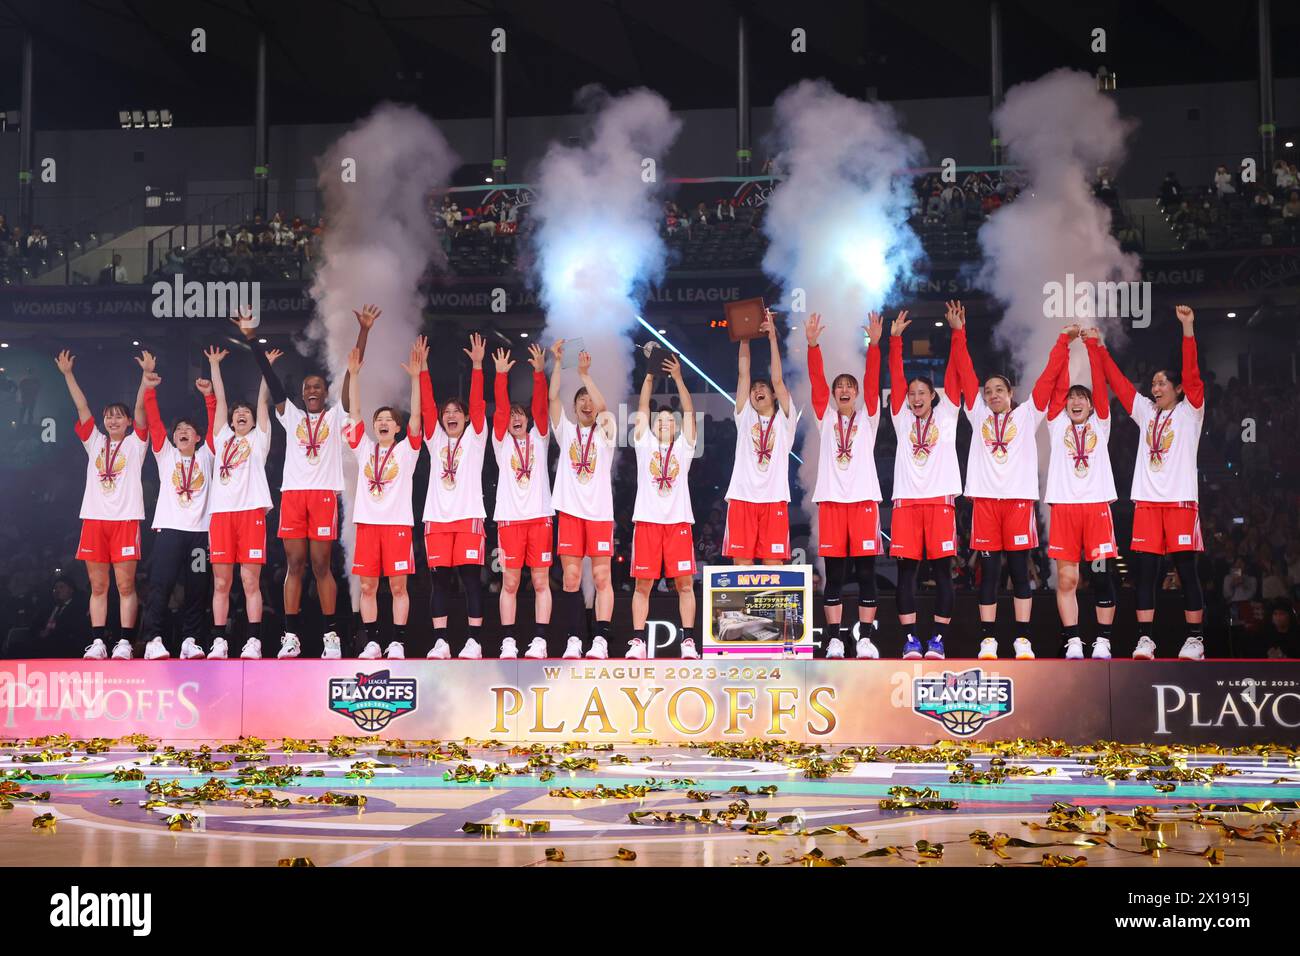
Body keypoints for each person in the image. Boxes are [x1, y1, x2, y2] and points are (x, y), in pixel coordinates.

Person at [240, 303, 373, 658]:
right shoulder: (290, 415)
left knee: (321, 566)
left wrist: (364, 331)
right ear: (301, 394)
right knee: (294, 565)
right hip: (294, 497)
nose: (313, 390)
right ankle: (291, 635)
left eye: (318, 386)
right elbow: (270, 381)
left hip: (323, 497)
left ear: (325, 393)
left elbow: (352, 373)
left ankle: (331, 636)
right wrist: (252, 340)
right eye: (307, 387)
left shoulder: (335, 417)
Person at [952, 300, 1066, 660]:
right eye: (988, 392)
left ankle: (1022, 639)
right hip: (985, 502)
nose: (992, 395)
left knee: (1019, 572)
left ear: (1011, 393)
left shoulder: (1028, 415)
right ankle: (988, 639)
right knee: (989, 574)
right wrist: (958, 334)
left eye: (998, 390)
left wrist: (1062, 343)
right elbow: (966, 373)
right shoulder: (977, 415)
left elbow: (1048, 378)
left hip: (1017, 503)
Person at [1099, 305, 1206, 660]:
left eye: (1163, 383)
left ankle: (1195, 640)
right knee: (1145, 575)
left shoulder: (1190, 412)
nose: (1156, 387)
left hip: (1179, 503)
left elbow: (1192, 375)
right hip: (1146, 503)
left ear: (1177, 389)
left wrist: (1187, 329)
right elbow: (1119, 384)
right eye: (1154, 383)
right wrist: (1099, 348)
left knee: (1186, 572)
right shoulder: (1146, 412)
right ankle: (1146, 639)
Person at [805, 311, 884, 659]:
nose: (844, 390)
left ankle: (865, 638)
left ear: (857, 394)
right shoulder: (825, 418)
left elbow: (873, 379)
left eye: (849, 387)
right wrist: (812, 346)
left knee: (867, 574)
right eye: (840, 387)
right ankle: (835, 639)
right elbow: (817, 381)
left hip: (864, 502)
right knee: (834, 575)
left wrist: (876, 346)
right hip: (833, 504)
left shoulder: (869, 418)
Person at [888, 306, 965, 660]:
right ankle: (910, 640)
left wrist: (956, 333)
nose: (916, 397)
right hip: (906, 503)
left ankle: (937, 639)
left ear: (933, 395)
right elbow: (894, 373)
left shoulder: (948, 413)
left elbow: (954, 374)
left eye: (922, 392)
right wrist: (894, 341)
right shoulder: (902, 419)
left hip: (940, 503)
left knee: (942, 574)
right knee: (906, 574)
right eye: (911, 393)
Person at [65, 349, 150, 660]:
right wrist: (68, 375)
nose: (113, 420)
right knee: (97, 586)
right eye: (109, 416)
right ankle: (99, 641)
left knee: (125, 585)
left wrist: (144, 378)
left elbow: (141, 407)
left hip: (126, 520)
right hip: (94, 519)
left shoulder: (136, 443)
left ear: (128, 422)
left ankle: (125, 642)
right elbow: (81, 406)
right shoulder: (95, 441)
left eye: (119, 416)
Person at [1044, 327, 1120, 659]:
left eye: (1082, 397)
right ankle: (1073, 639)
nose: (1075, 401)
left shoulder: (1100, 424)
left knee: (1102, 577)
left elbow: (1101, 385)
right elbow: (1057, 385)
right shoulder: (1056, 423)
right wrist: (1064, 342)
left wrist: (1091, 345)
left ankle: (1103, 640)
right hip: (1064, 509)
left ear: (1091, 406)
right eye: (1071, 397)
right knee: (1066, 580)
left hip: (1096, 508)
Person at [345, 339, 425, 660]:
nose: (381, 422)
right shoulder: (364, 448)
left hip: (396, 527)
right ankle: (374, 642)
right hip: (367, 525)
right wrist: (353, 376)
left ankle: (398, 643)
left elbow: (417, 418)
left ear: (398, 428)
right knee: (367, 588)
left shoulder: (407, 451)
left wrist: (416, 379)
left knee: (397, 588)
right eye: (378, 419)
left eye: (388, 419)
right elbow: (353, 413)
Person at [139, 358, 217, 659]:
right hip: (170, 531)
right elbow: (155, 421)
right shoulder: (165, 455)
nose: (183, 431)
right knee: (162, 585)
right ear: (174, 437)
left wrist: (209, 397)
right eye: (179, 429)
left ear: (197, 437)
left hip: (199, 535)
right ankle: (154, 639)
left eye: (188, 429)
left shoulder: (208, 454)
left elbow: (214, 424)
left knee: (197, 588)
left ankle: (190, 640)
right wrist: (149, 389)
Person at [204, 338, 274, 659]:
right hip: (221, 514)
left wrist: (266, 369)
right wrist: (215, 366)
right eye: (238, 413)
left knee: (249, 580)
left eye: (246, 412)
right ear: (231, 421)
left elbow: (262, 403)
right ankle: (219, 641)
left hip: (250, 513)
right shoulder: (221, 438)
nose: (242, 414)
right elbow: (219, 400)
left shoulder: (259, 440)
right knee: (221, 582)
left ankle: (253, 641)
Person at [548, 340, 618, 660]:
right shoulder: (565, 431)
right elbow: (552, 398)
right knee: (572, 579)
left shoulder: (606, 431)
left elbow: (603, 407)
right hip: (572, 514)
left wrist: (585, 375)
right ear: (574, 408)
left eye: (590, 400)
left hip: (600, 513)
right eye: (581, 401)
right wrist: (558, 362)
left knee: (602, 577)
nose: (587, 404)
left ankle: (601, 640)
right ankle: (575, 640)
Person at [422, 333, 489, 659]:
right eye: (446, 411)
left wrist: (477, 366)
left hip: (468, 518)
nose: (450, 414)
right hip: (436, 520)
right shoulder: (434, 439)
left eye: (456, 411)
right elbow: (425, 405)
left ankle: (474, 642)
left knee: (471, 582)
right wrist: (421, 372)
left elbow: (477, 404)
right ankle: (441, 642)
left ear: (465, 419)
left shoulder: (476, 438)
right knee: (440, 584)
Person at [628, 354, 699, 660]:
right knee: (642, 586)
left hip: (678, 522)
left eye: (671, 421)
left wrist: (680, 378)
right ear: (654, 427)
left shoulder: (684, 446)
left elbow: (690, 411)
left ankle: (688, 643)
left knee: (685, 585)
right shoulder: (644, 445)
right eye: (661, 421)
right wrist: (649, 376)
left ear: (677, 426)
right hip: (647, 522)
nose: (665, 423)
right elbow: (643, 409)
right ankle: (638, 642)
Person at [490, 345, 553, 659]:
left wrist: (540, 373)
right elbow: (500, 411)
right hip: (510, 519)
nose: (516, 418)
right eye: (512, 416)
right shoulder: (500, 443)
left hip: (540, 517)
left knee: (541, 580)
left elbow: (541, 407)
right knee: (510, 581)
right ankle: (509, 641)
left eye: (521, 415)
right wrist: (501, 377)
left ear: (528, 421)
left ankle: (540, 641)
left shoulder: (540, 439)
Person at [724, 311, 800, 566]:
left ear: (774, 396)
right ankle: (741, 609)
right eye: (755, 389)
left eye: (762, 388)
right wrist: (744, 336)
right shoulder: (744, 416)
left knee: (773, 562)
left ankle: (770, 608)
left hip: (774, 497)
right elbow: (743, 374)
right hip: (742, 497)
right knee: (741, 562)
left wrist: (771, 338)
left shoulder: (785, 420)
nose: (757, 390)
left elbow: (777, 379)